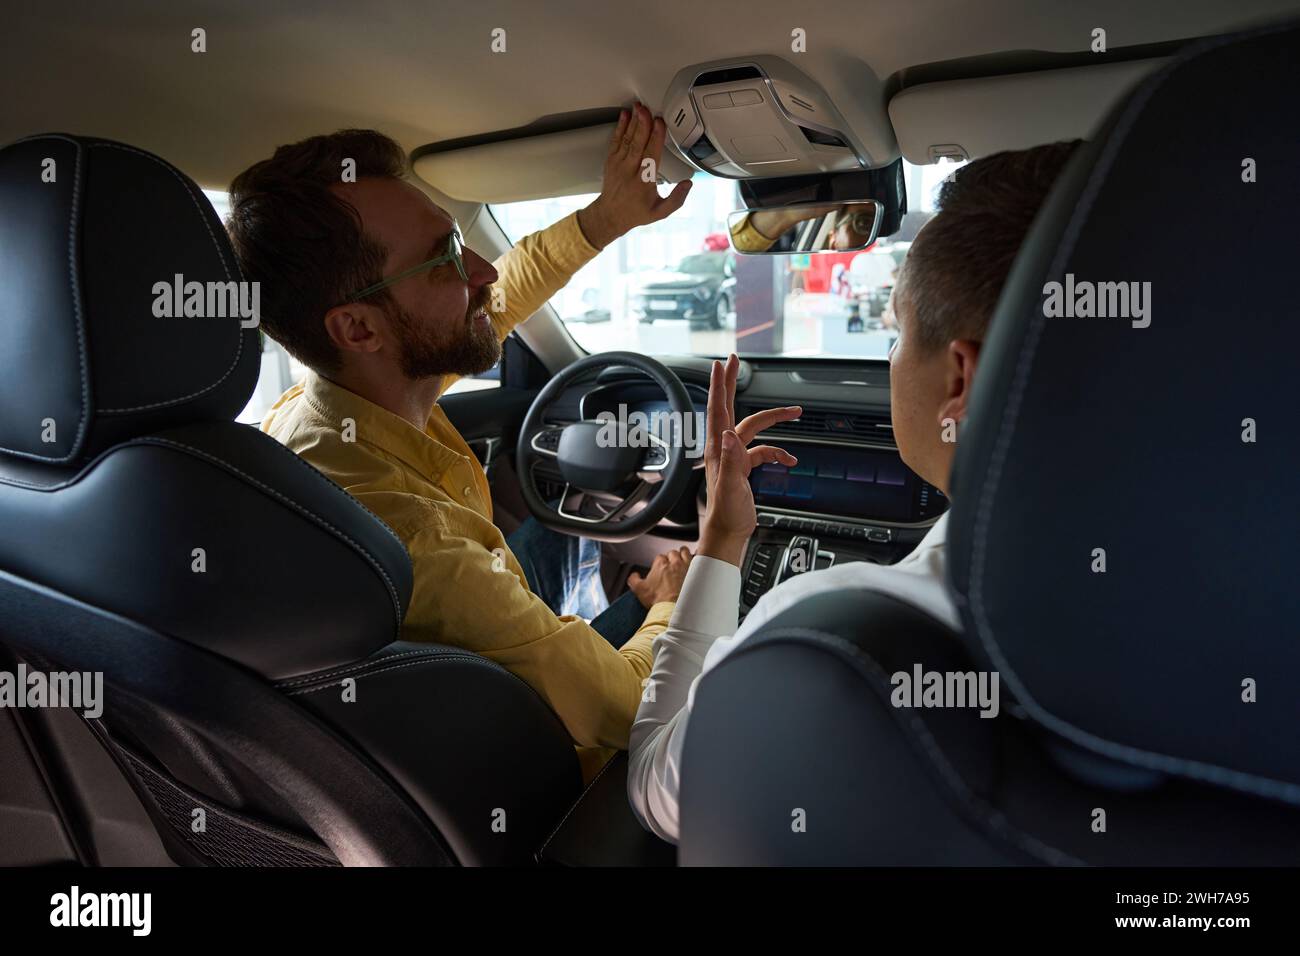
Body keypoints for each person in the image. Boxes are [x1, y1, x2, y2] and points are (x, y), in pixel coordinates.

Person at [627, 141, 1082, 840]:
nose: (892, 355)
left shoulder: (829, 635)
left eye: (898, 332)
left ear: (961, 379)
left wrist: (720, 543)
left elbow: (657, 793)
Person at [227, 104, 695, 780]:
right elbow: (626, 708)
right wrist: (673, 607)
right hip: (546, 774)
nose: (484, 271)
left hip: (465, 665)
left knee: (564, 527)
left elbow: (497, 304)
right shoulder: (408, 541)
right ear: (359, 329)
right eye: (443, 260)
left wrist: (604, 219)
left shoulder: (326, 404)